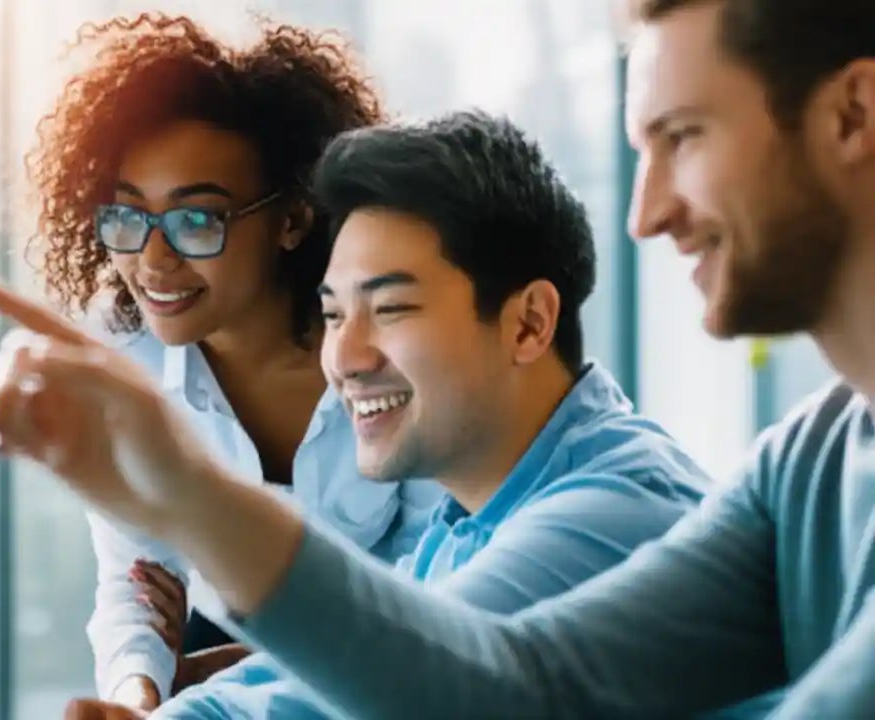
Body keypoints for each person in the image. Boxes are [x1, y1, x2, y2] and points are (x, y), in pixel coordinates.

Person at [0, 0, 875, 716]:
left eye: (684, 137)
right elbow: (515, 686)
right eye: (334, 313)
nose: (647, 215)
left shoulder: (610, 499)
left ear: (854, 113)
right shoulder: (804, 466)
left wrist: (187, 494)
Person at [144, 112, 707, 719]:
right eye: (333, 316)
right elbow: (291, 676)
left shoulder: (610, 513)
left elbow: (361, 695)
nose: (347, 360)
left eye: (390, 309)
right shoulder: (463, 521)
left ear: (529, 323)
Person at [4, 13, 440, 716]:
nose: (152, 259)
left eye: (196, 220)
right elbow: (134, 587)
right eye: (126, 216)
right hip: (236, 655)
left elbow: (435, 589)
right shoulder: (121, 358)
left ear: (294, 220)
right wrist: (141, 696)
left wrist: (240, 671)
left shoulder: (388, 356)